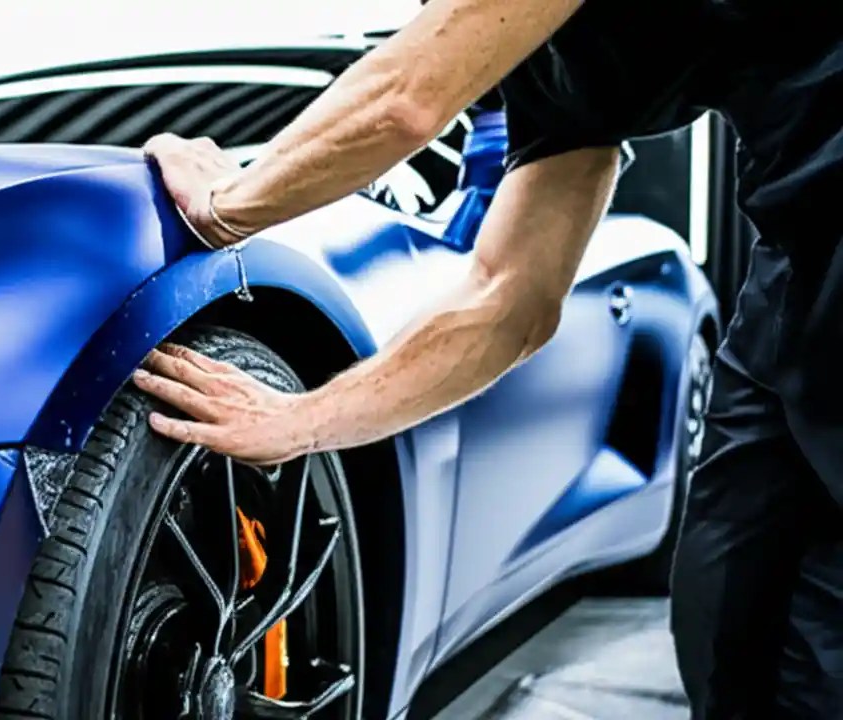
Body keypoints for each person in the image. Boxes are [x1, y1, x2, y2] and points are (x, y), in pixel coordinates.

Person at [135, 0, 842, 717]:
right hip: (793, 240)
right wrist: (301, 422)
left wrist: (222, 206)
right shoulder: (554, 80)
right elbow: (512, 302)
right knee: (731, 620)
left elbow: (405, 102)